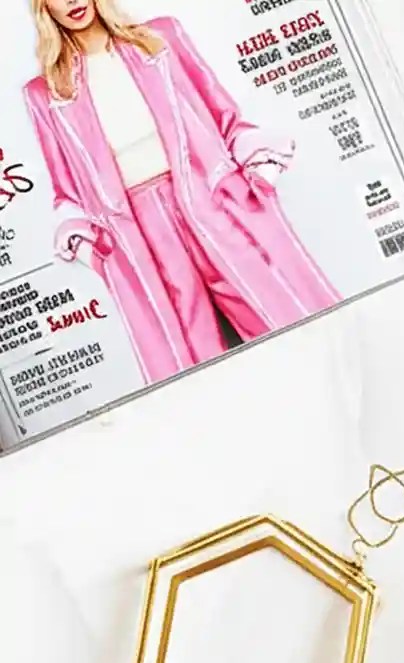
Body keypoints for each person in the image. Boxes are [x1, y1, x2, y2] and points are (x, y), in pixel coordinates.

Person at [24, 0, 342, 383]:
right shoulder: (45, 92)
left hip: (205, 199)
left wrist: (252, 161)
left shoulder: (159, 38)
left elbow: (224, 114)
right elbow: (65, 187)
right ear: (44, 8)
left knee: (277, 308)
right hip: (138, 230)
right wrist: (82, 236)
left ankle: (322, 387)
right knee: (188, 356)